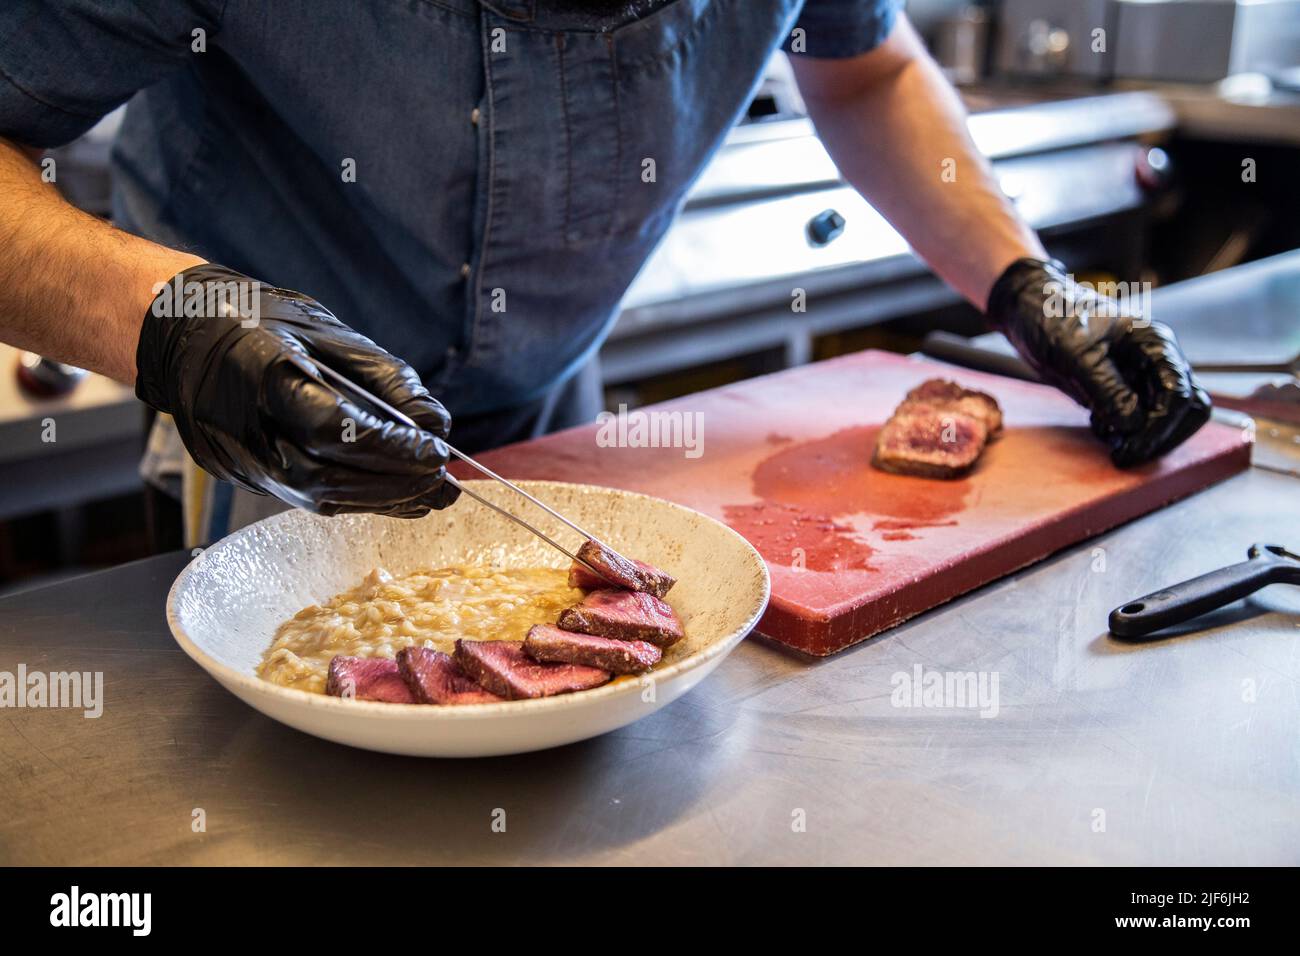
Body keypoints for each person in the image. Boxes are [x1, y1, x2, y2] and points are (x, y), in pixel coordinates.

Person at [0, 1, 1209, 539]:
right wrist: (181, 324)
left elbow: (868, 69)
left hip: (554, 414)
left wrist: (1027, 286)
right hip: (254, 413)